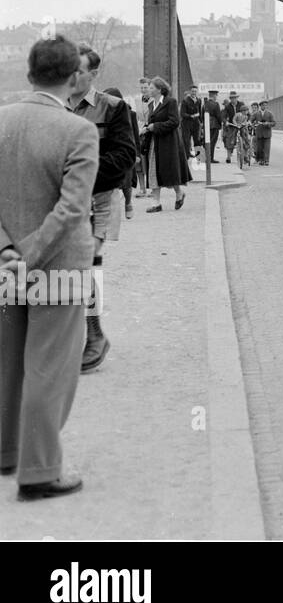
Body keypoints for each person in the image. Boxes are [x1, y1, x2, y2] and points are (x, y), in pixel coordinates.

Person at [0, 35, 98, 500]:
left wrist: (8, 254)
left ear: (28, 72)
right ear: (75, 77)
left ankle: (7, 453)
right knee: (50, 368)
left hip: (5, 267)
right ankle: (39, 471)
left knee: (8, 364)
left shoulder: (0, 120)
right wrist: (32, 256)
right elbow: (73, 208)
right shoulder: (78, 131)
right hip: (58, 267)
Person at [69, 47, 137, 373]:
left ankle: (94, 333)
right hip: (55, 202)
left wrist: (75, 175)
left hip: (96, 202)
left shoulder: (113, 108)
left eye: (77, 70)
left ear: (93, 74)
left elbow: (124, 157)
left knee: (87, 266)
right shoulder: (51, 107)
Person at [142, 77, 190, 211]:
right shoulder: (151, 104)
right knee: (153, 170)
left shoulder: (171, 102)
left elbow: (175, 122)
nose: (149, 90)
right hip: (154, 142)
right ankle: (156, 203)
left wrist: (155, 126)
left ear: (159, 89)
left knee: (170, 170)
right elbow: (152, 122)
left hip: (168, 143)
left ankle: (179, 194)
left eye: (151, 87)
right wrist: (146, 128)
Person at [104, 86, 142, 218]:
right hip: (109, 150)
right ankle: (110, 209)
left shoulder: (130, 114)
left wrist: (136, 154)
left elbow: (135, 135)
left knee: (126, 181)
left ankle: (128, 202)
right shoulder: (102, 114)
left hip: (126, 150)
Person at [181, 85, 202, 163]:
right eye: (192, 91)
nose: (194, 93)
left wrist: (201, 122)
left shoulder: (199, 100)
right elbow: (182, 113)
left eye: (195, 91)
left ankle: (199, 157)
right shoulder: (185, 101)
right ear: (190, 92)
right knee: (186, 141)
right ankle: (186, 158)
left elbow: (200, 112)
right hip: (186, 123)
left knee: (197, 140)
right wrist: (191, 116)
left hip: (196, 123)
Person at [201, 90, 223, 165]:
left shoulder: (205, 104)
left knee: (206, 141)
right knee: (212, 142)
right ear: (214, 96)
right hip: (214, 124)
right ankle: (211, 158)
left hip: (206, 124)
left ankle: (206, 157)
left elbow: (202, 115)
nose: (216, 97)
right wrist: (220, 124)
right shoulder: (216, 104)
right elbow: (218, 116)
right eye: (216, 95)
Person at [252, 101, 275, 166]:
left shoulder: (270, 114)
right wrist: (253, 125)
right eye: (263, 105)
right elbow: (251, 121)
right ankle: (261, 160)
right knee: (259, 148)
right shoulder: (256, 114)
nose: (264, 106)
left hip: (267, 133)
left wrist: (268, 123)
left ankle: (266, 160)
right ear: (260, 106)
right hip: (259, 133)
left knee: (267, 148)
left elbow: (274, 123)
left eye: (265, 105)